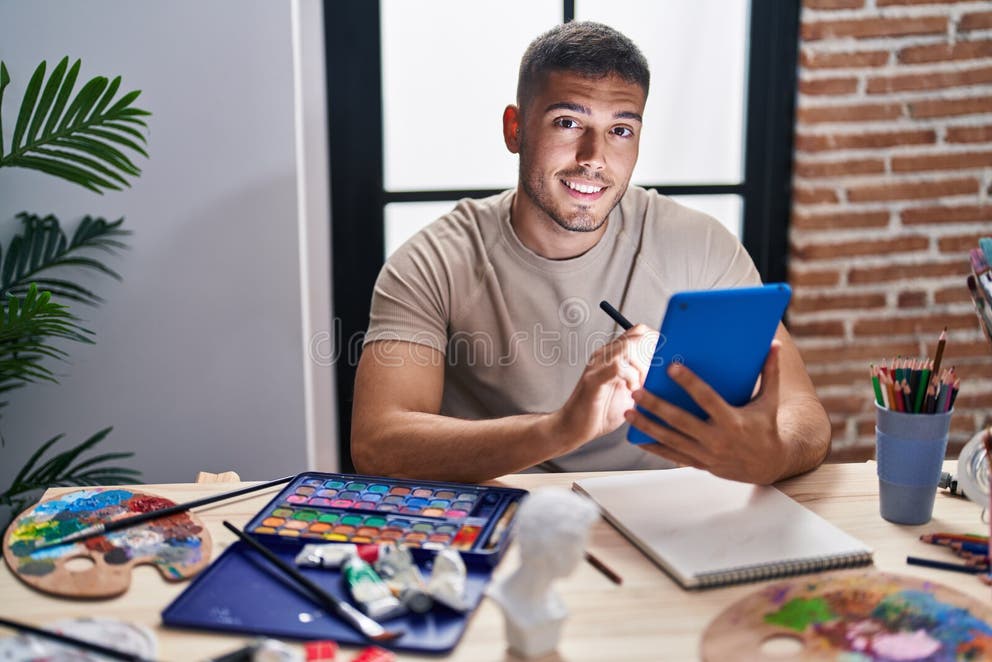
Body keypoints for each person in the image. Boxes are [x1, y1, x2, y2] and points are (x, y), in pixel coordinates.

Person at [351, 21, 830, 484]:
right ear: (515, 129)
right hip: (513, 517)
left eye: (621, 130)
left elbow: (804, 413)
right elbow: (378, 443)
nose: (594, 158)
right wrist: (559, 429)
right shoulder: (433, 260)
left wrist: (771, 455)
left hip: (666, 518)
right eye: (568, 122)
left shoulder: (700, 245)